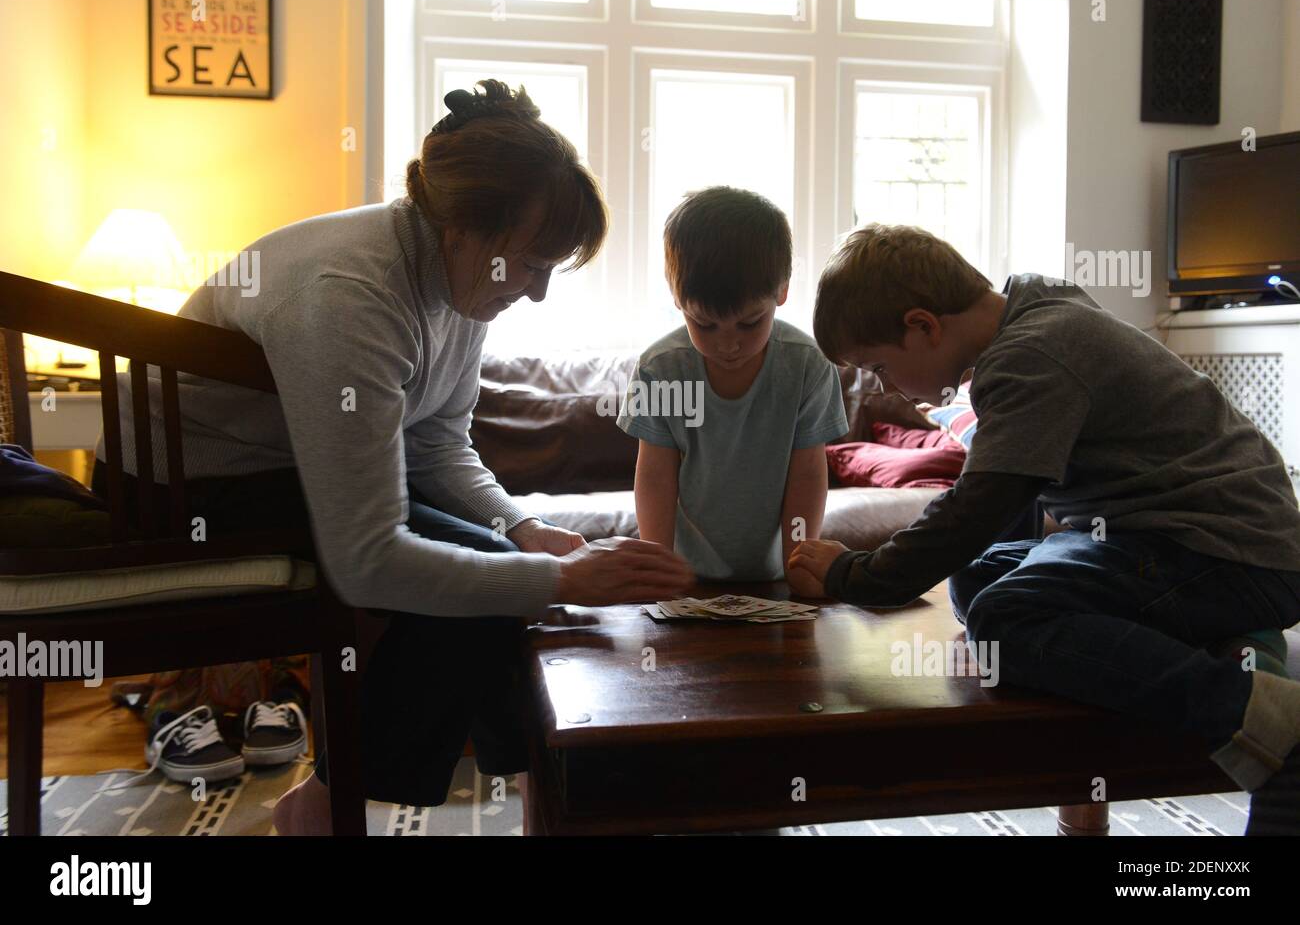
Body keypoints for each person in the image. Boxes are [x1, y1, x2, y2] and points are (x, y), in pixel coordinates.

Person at [95, 79, 694, 834]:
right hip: (180, 488)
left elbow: (440, 439)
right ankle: (325, 805)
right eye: (534, 263)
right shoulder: (351, 293)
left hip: (272, 467)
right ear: (464, 228)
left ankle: (543, 792)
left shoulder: (462, 279)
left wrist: (519, 530)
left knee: (501, 575)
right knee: (488, 593)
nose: (538, 293)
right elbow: (367, 561)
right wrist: (560, 575)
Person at [788, 222, 1300, 835]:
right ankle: (1231, 641)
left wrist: (856, 575)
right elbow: (995, 517)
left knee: (1006, 617)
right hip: (1165, 539)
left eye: (880, 367)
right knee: (979, 577)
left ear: (923, 326)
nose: (885, 386)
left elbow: (977, 508)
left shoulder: (1031, 357)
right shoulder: (1030, 310)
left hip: (1229, 551)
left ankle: (1263, 717)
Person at [617, 187, 848, 590]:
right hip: (687, 573)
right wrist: (657, 563)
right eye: (704, 325)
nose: (728, 344)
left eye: (749, 323)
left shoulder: (807, 365)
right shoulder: (662, 369)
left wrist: (799, 561)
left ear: (782, 291)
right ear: (677, 298)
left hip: (776, 573)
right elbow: (655, 476)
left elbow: (808, 473)